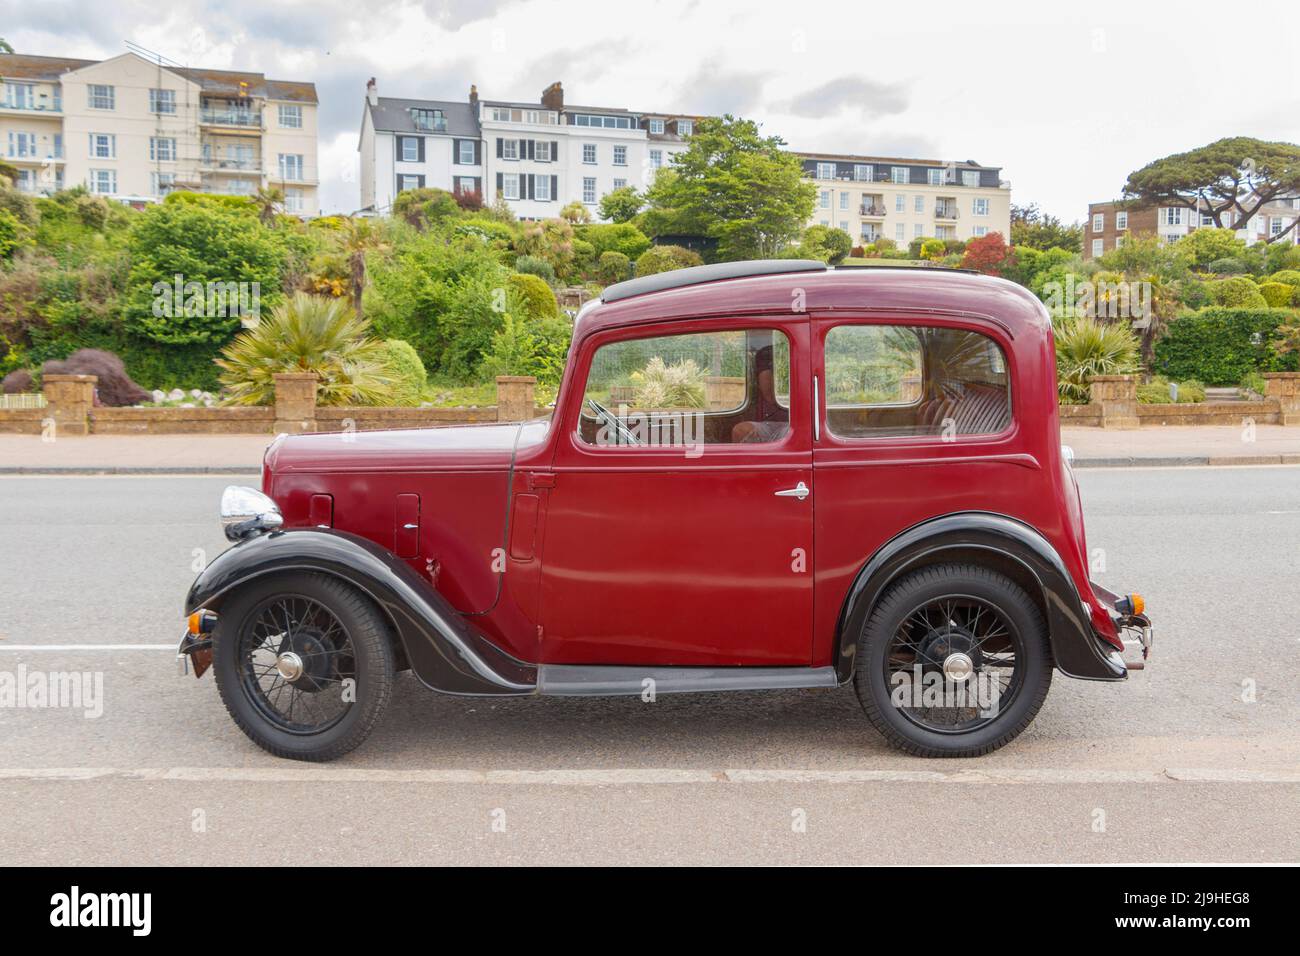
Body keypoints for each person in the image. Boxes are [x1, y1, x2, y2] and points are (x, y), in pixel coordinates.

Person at [731, 345, 789, 443]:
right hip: (767, 422)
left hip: (794, 424)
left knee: (791, 435)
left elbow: (770, 395)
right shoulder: (765, 353)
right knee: (740, 430)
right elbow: (769, 394)